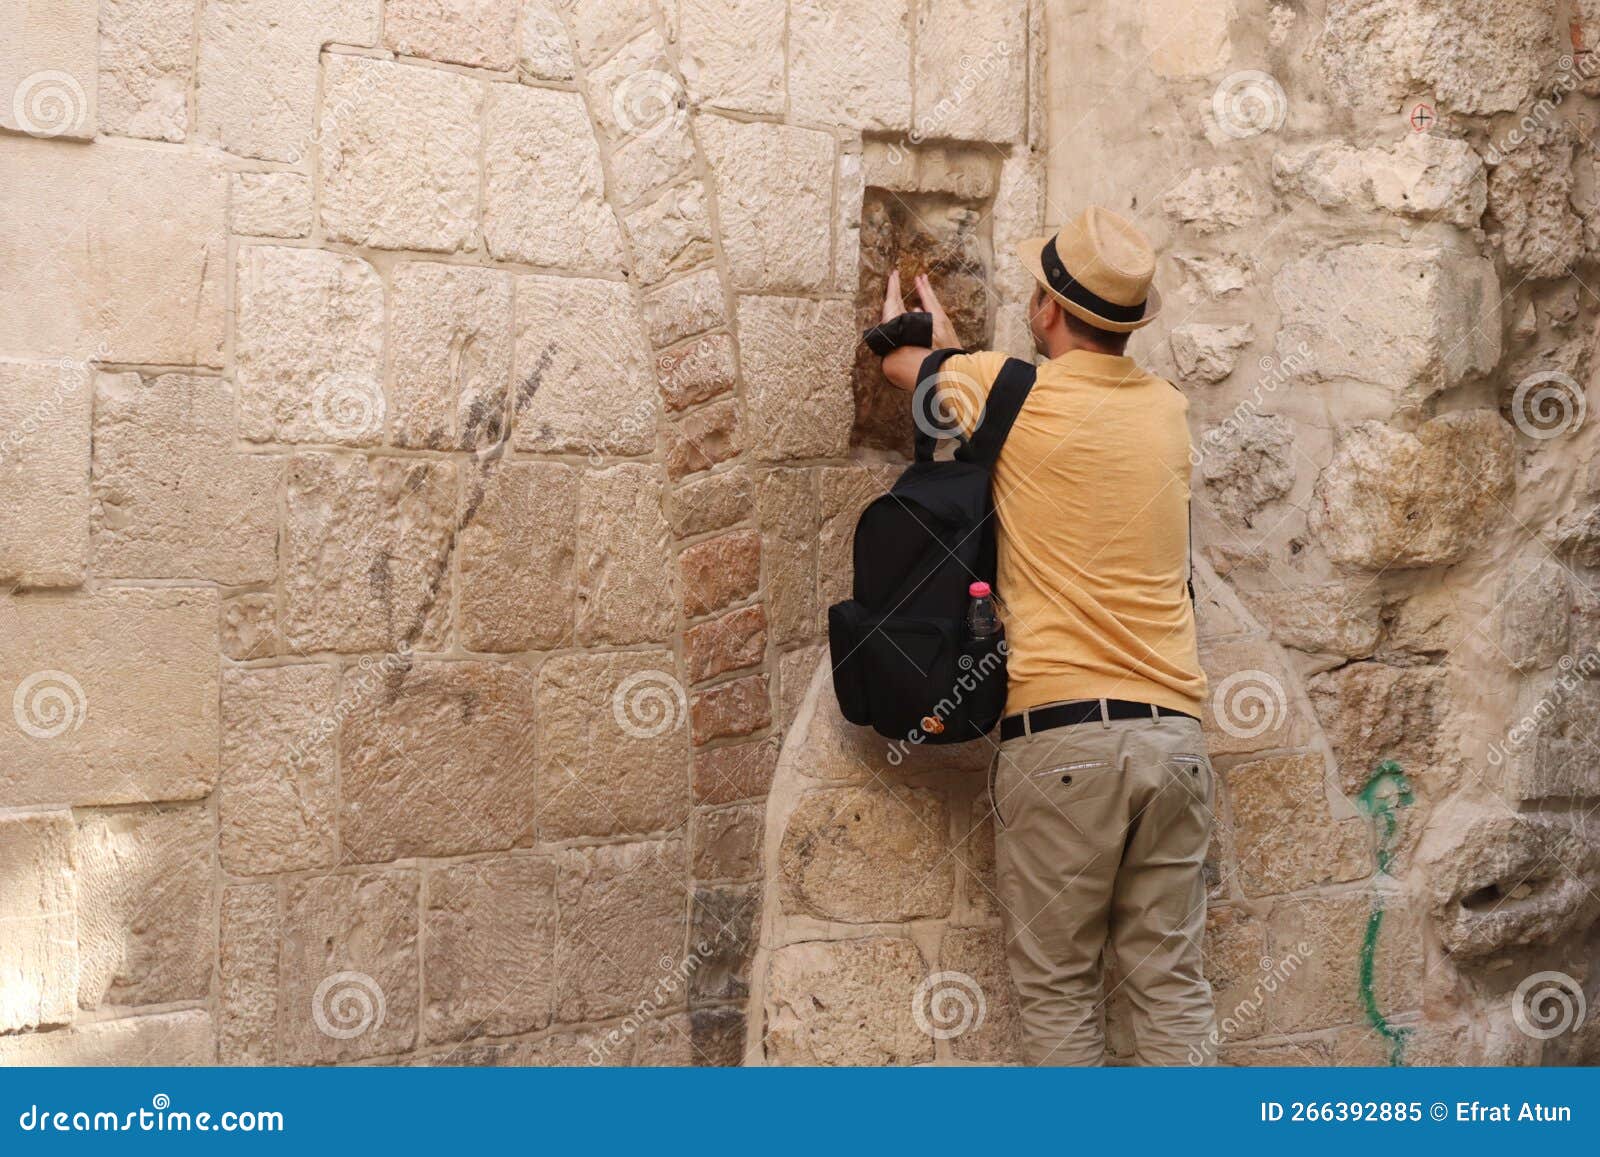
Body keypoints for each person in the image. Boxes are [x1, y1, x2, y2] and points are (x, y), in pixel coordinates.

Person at [876, 206, 1215, 1066]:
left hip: (1063, 738)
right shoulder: (1169, 412)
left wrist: (927, 338)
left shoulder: (1011, 390)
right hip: (1174, 740)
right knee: (1170, 981)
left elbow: (903, 367)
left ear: (1046, 312)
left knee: (1059, 989)